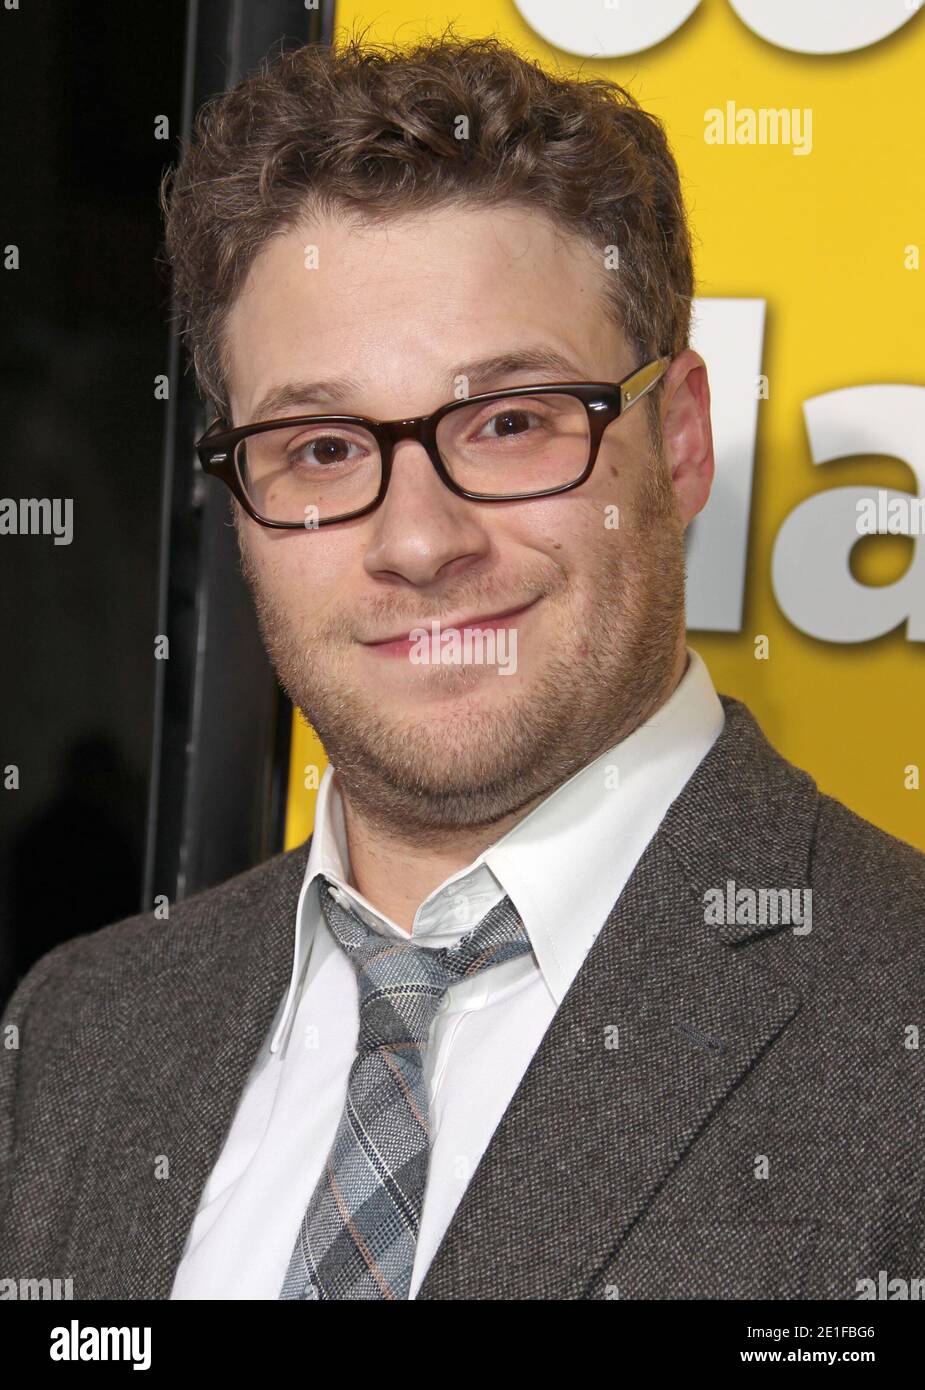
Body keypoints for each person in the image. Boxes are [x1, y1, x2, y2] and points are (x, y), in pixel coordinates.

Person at [1, 32, 922, 1303]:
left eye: (507, 422)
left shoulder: (894, 1017)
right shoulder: (77, 1034)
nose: (420, 540)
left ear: (685, 439)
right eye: (321, 447)